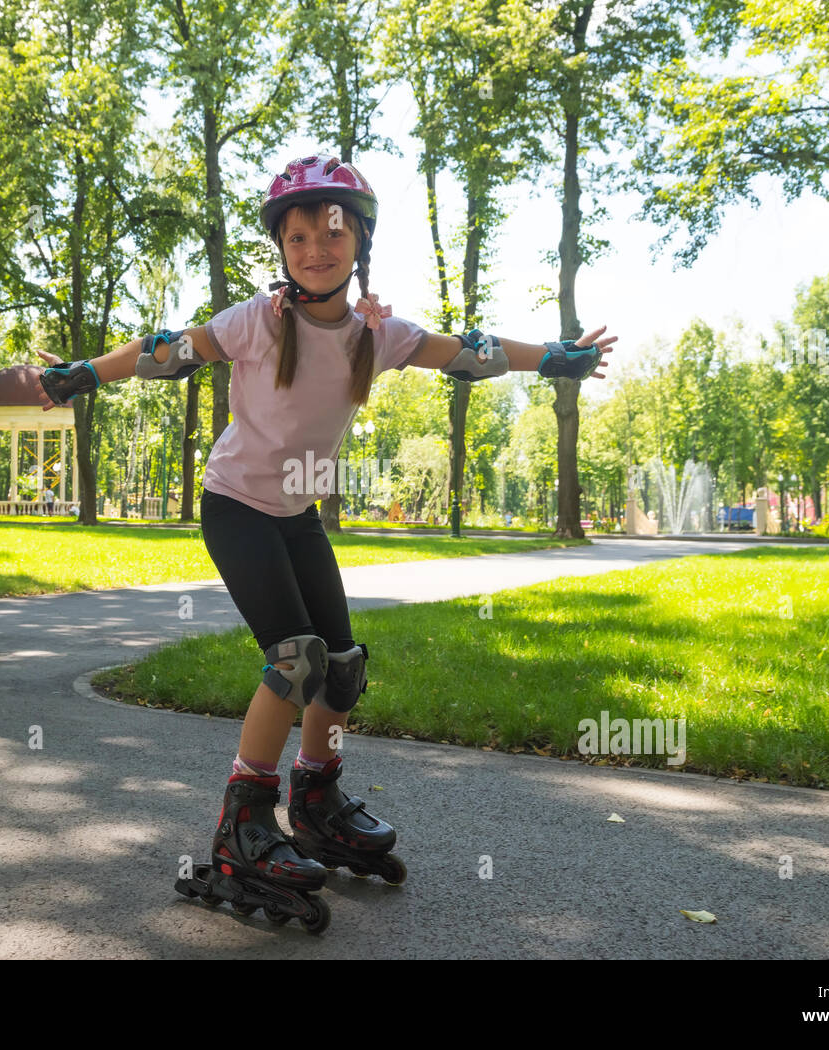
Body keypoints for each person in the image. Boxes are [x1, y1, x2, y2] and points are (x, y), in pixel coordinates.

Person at [33, 153, 616, 932]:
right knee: (295, 660)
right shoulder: (258, 320)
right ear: (281, 247)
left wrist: (552, 358)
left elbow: (468, 351)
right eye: (299, 236)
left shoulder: (378, 334)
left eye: (333, 233)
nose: (316, 248)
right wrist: (85, 374)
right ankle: (243, 823)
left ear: (358, 243)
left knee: (341, 669)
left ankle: (315, 796)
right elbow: (165, 350)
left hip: (296, 513)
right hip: (237, 506)